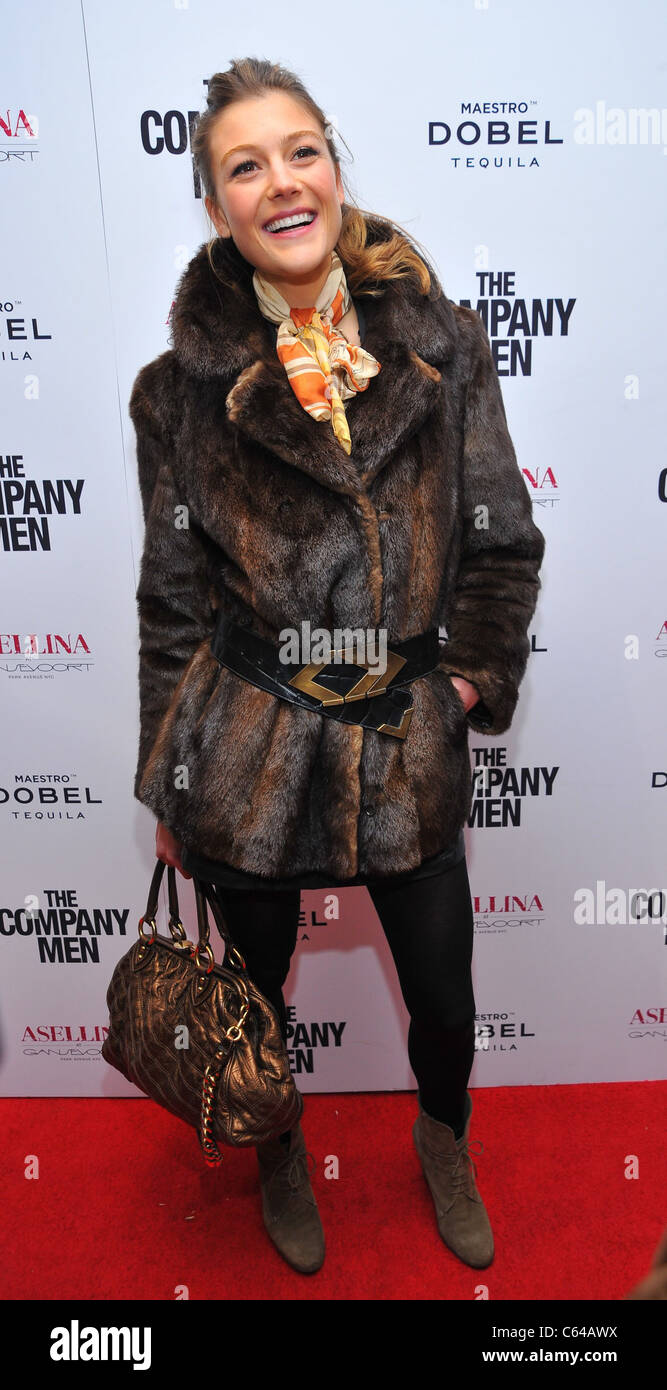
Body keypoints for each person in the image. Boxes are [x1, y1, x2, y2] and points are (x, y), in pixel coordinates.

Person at [129, 56, 546, 1278]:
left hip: (402, 740)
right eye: (244, 166)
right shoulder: (175, 396)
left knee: (449, 1004)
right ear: (216, 205)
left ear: (333, 164)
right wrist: (172, 771)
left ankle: (443, 1134)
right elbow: (170, 597)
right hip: (250, 746)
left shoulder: (442, 344)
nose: (282, 182)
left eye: (300, 150)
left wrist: (462, 678)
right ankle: (275, 1146)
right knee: (256, 1005)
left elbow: (500, 536)